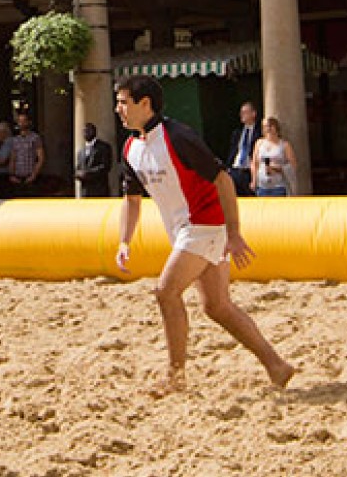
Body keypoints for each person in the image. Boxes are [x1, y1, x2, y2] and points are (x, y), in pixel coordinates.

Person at [114, 75, 295, 396]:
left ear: (145, 104)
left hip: (205, 225)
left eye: (123, 102)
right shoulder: (131, 147)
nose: (118, 109)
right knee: (217, 307)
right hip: (186, 230)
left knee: (165, 293)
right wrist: (124, 241)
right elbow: (131, 201)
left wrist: (234, 233)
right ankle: (276, 365)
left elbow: (223, 181)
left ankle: (175, 376)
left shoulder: (179, 137)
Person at [251, 116, 295, 197]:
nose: (268, 129)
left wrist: (278, 168)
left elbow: (293, 165)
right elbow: (254, 163)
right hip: (262, 186)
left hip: (278, 186)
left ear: (276, 127)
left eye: (270, 126)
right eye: (265, 127)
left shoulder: (284, 145)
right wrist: (254, 180)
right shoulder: (259, 143)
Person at [226, 101, 260, 196]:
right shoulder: (237, 133)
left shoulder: (259, 133)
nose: (242, 115)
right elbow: (233, 151)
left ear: (253, 114)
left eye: (245, 112)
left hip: (249, 171)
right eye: (241, 112)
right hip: (235, 170)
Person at [7, 113, 44, 197]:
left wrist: (34, 174)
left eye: (24, 121)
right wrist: (11, 174)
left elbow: (41, 158)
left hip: (30, 176)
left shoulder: (35, 138)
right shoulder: (15, 140)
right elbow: (13, 157)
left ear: (28, 122)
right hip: (17, 177)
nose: (22, 123)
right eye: (19, 121)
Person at [75, 122, 113, 199]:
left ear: (94, 132)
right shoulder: (81, 152)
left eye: (88, 131)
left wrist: (88, 174)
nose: (85, 133)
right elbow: (78, 168)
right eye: (84, 131)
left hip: (99, 191)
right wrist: (78, 174)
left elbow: (105, 166)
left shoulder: (103, 147)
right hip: (85, 192)